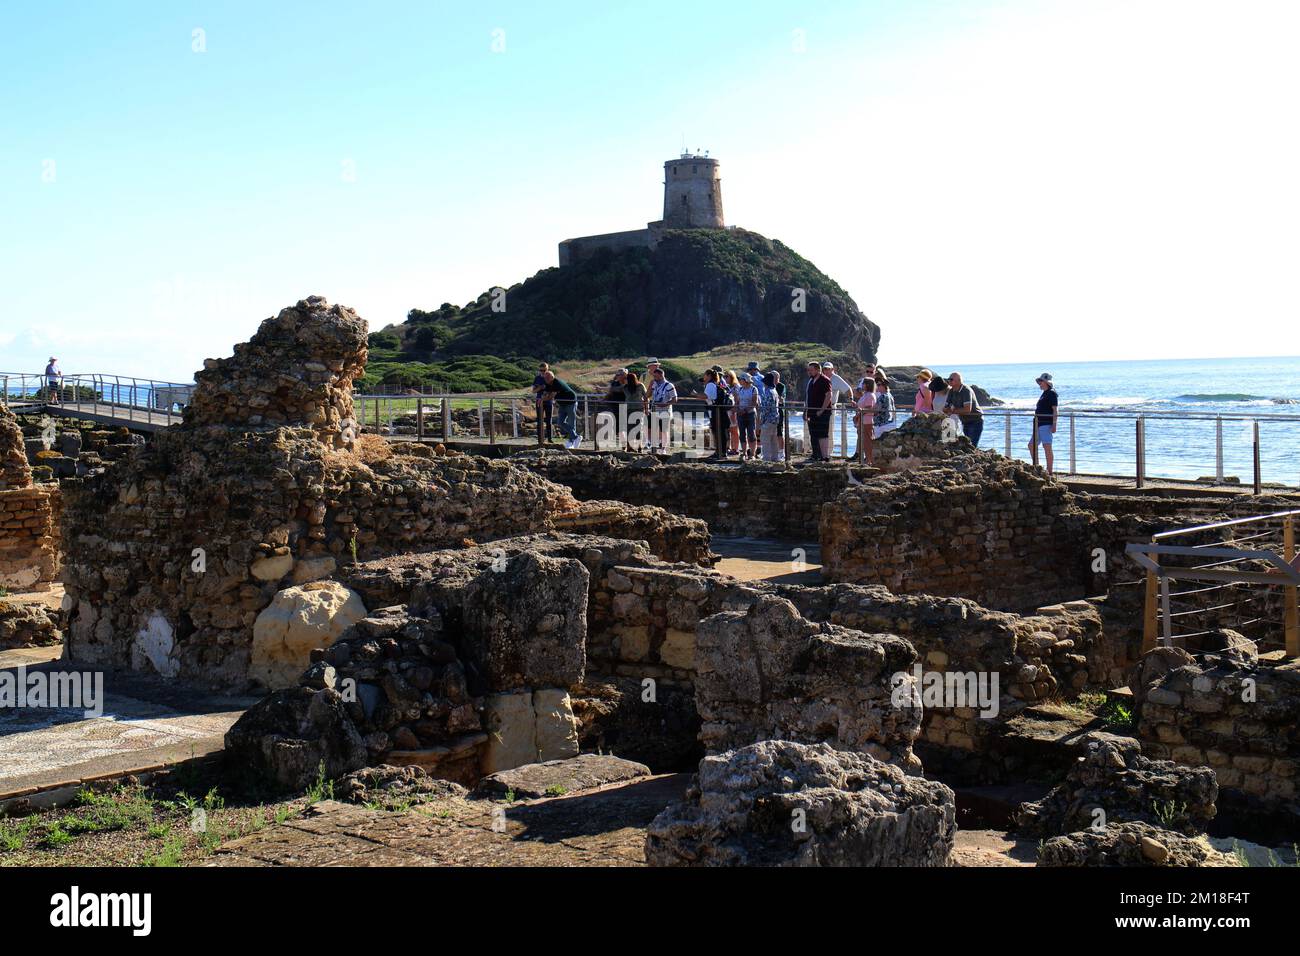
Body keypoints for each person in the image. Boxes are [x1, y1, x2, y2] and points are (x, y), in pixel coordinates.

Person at [541, 370, 582, 448]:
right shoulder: (548, 384)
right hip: (562, 404)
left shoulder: (557, 383)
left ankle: (571, 441)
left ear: (552, 377)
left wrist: (543, 399)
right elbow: (545, 393)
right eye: (545, 377)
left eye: (547, 377)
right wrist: (543, 397)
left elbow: (550, 396)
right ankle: (576, 437)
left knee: (571, 422)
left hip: (570, 402)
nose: (546, 379)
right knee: (560, 422)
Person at [1030, 372, 1059, 474]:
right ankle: (1037, 467)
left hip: (1046, 423)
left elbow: (1055, 410)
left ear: (1046, 382)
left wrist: (1054, 424)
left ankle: (1050, 471)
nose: (1040, 383)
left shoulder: (1052, 393)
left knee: (1047, 446)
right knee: (1031, 445)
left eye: (1041, 381)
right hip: (1038, 423)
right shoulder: (1044, 393)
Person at [943, 371, 983, 445]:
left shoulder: (966, 390)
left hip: (975, 421)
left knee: (971, 445)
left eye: (951, 379)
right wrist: (950, 410)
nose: (949, 381)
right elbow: (945, 408)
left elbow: (967, 410)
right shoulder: (951, 391)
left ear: (958, 380)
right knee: (967, 445)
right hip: (965, 421)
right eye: (949, 379)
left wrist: (952, 411)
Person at [805, 362, 833, 460]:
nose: (809, 372)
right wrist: (806, 412)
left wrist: (822, 410)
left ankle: (825, 456)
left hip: (823, 413)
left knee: (823, 434)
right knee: (813, 434)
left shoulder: (825, 380)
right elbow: (808, 397)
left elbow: (829, 395)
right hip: (812, 412)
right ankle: (816, 455)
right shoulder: (811, 381)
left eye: (811, 370)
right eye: (809, 370)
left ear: (817, 370)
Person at [703, 369, 732, 460]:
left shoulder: (710, 385)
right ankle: (721, 452)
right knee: (721, 432)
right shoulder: (717, 384)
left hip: (716, 411)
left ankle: (720, 453)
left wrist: (695, 395)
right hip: (720, 412)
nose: (704, 377)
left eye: (705, 375)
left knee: (718, 432)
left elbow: (708, 397)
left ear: (709, 375)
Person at [649, 365, 677, 452]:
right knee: (654, 429)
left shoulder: (669, 385)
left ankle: (663, 448)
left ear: (661, 376)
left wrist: (664, 404)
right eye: (654, 376)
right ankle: (654, 447)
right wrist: (650, 385)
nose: (654, 378)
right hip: (654, 410)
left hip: (665, 411)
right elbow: (647, 395)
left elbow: (675, 399)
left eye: (656, 376)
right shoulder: (654, 384)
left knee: (664, 430)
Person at [734, 372, 760, 459]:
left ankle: (752, 453)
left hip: (750, 414)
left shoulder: (754, 389)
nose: (739, 381)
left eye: (741, 379)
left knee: (751, 433)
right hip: (740, 414)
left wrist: (745, 410)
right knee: (742, 434)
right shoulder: (740, 389)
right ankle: (744, 453)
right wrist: (737, 409)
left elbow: (754, 402)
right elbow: (737, 402)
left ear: (746, 380)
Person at [758, 372, 783, 461]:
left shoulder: (768, 392)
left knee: (765, 440)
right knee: (773, 440)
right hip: (775, 419)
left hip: (768, 419)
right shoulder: (774, 391)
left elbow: (766, 408)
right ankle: (775, 458)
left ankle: (766, 459)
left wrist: (762, 420)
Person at [623, 371, 648, 451]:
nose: (625, 380)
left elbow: (646, 397)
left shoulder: (640, 386)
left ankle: (639, 446)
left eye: (626, 379)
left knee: (638, 428)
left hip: (638, 409)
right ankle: (630, 446)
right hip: (629, 409)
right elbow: (614, 389)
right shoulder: (625, 387)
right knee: (629, 428)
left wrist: (646, 408)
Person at [855, 378, 877, 464]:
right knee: (863, 441)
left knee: (867, 441)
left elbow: (868, 408)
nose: (862, 385)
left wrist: (858, 415)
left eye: (863, 383)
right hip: (862, 421)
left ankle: (870, 461)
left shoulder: (870, 395)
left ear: (867, 385)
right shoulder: (866, 395)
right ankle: (866, 460)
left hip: (867, 421)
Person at [532, 362, 555, 442]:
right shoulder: (537, 378)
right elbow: (533, 391)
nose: (542, 372)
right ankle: (540, 439)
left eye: (544, 370)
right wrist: (541, 387)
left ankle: (550, 438)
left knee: (549, 420)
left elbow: (554, 390)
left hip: (548, 401)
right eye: (541, 370)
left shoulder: (551, 377)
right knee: (539, 420)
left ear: (547, 369)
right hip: (539, 401)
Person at [724, 369, 742, 454]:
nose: (725, 378)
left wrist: (735, 409)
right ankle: (730, 447)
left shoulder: (736, 387)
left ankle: (736, 448)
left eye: (727, 376)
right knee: (729, 430)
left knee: (734, 430)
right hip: (728, 410)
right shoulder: (727, 387)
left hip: (733, 411)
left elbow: (738, 399)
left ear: (731, 377)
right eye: (724, 376)